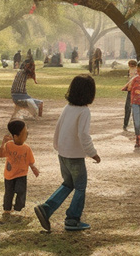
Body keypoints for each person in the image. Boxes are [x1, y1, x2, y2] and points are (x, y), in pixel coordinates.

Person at [33, 74, 100, 233]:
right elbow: (83, 135)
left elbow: (59, 128)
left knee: (68, 184)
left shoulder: (67, 108)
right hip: (75, 157)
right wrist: (93, 153)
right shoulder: (84, 112)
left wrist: (57, 146)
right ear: (89, 93)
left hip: (63, 154)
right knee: (80, 187)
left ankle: (46, 209)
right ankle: (72, 219)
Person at [0, 119, 39, 220]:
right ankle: (7, 209)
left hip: (21, 174)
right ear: (15, 136)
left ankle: (18, 207)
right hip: (9, 175)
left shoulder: (27, 148)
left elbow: (30, 161)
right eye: (24, 133)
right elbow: (0, 155)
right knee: (9, 192)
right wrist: (3, 143)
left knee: (21, 191)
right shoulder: (9, 145)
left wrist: (34, 168)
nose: (26, 135)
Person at [122, 59, 137, 131]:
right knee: (128, 107)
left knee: (132, 107)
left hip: (135, 91)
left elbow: (133, 80)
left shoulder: (137, 72)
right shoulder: (130, 71)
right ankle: (125, 124)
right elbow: (130, 80)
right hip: (131, 90)